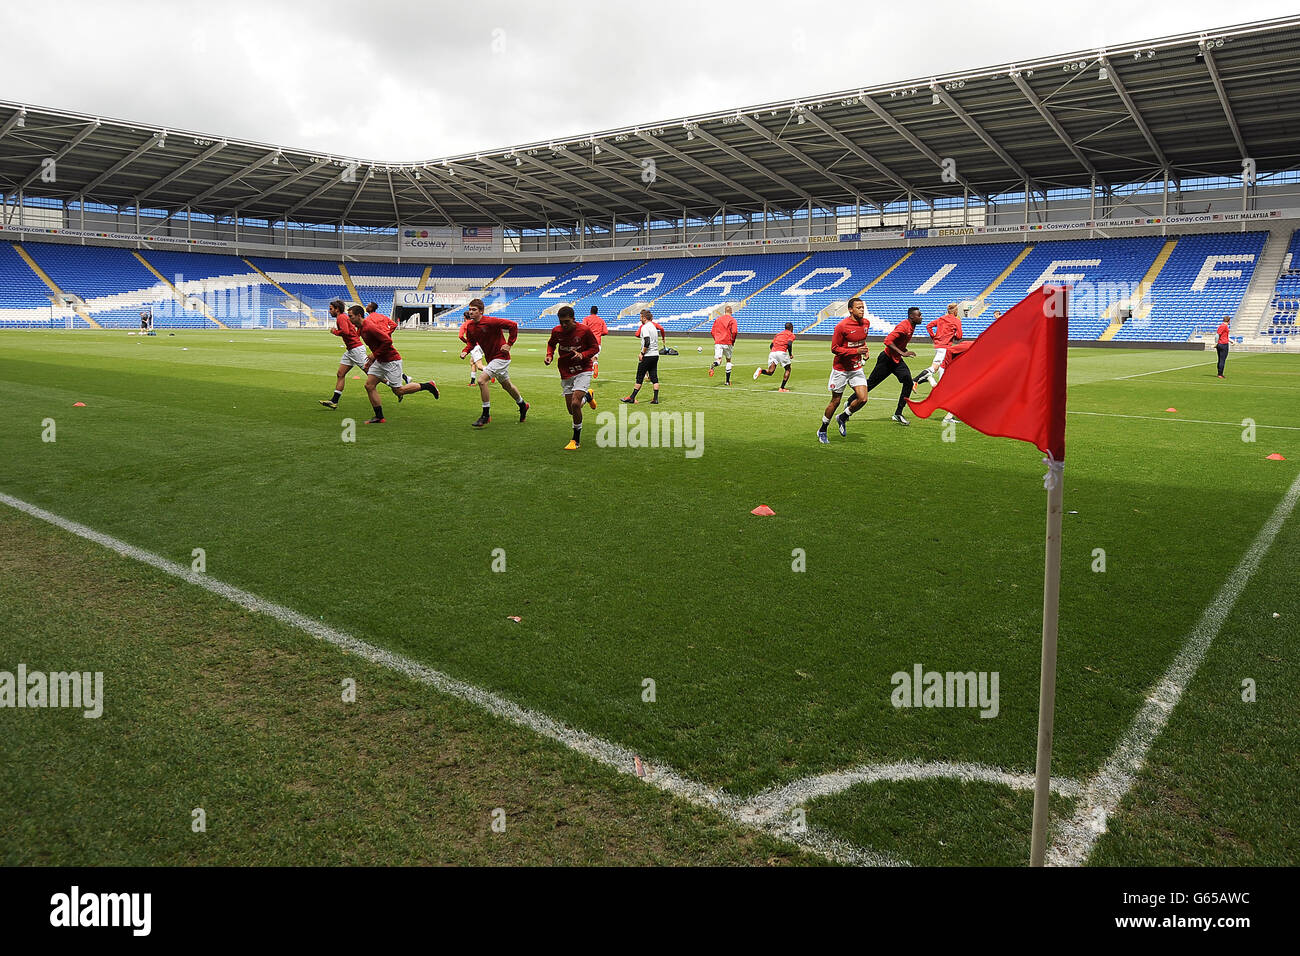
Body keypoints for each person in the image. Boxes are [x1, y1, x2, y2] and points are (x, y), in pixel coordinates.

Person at [356, 305, 439, 423]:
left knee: (398, 391)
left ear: (359, 316)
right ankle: (379, 417)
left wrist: (375, 353)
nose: (349, 319)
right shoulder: (362, 327)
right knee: (369, 385)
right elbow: (391, 328)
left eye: (350, 316)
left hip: (391, 360)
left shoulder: (369, 325)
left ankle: (428, 385)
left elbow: (388, 341)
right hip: (380, 360)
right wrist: (371, 360)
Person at [460, 298, 528, 427]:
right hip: (491, 359)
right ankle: (523, 405)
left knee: (481, 380)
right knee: (506, 385)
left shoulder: (491, 321)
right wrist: (465, 350)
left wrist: (509, 344)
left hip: (501, 357)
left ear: (481, 311)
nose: (471, 312)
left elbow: (513, 325)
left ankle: (486, 415)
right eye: (469, 310)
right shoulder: (470, 326)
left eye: (474, 310)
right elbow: (471, 342)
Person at [546, 306, 601, 450]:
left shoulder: (584, 330)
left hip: (583, 369)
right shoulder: (557, 331)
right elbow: (551, 344)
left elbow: (595, 347)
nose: (564, 325)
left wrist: (583, 355)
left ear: (573, 319)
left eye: (567, 322)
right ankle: (588, 396)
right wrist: (549, 355)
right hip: (565, 370)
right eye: (561, 322)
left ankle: (575, 439)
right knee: (572, 409)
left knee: (575, 404)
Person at [817, 297, 871, 443]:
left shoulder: (866, 323)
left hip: (855, 368)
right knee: (836, 401)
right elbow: (834, 349)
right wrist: (856, 351)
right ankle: (823, 429)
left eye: (863, 307)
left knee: (863, 398)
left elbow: (861, 340)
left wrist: (865, 350)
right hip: (841, 369)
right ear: (850, 309)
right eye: (859, 307)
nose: (862, 310)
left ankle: (843, 417)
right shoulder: (841, 326)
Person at [864, 307, 923, 426]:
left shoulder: (911, 327)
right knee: (870, 384)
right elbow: (887, 340)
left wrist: (903, 350)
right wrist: (903, 353)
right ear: (912, 316)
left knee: (908, 381)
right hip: (886, 359)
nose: (921, 317)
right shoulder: (903, 326)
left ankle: (898, 413)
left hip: (896, 361)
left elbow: (899, 342)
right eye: (919, 315)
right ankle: (850, 404)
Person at [319, 299, 368, 409]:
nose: (329, 311)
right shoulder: (344, 317)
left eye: (331, 309)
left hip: (355, 350)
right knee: (340, 374)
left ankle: (396, 386)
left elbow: (345, 331)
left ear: (337, 309)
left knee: (371, 372)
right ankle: (334, 401)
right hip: (351, 350)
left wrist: (334, 332)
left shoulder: (341, 317)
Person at [622, 309, 666, 404]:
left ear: (644, 318)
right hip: (655, 355)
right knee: (654, 377)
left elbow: (647, 341)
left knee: (640, 377)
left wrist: (642, 353)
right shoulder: (653, 327)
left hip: (648, 355)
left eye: (641, 317)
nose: (640, 319)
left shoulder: (645, 327)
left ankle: (632, 398)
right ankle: (655, 399)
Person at [916, 302, 963, 388]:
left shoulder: (941, 319)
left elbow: (928, 326)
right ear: (955, 311)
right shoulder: (956, 321)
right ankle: (918, 379)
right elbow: (959, 336)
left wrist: (933, 336)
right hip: (946, 347)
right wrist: (954, 336)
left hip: (938, 346)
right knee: (935, 368)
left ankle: (936, 384)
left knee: (943, 366)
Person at [754, 322, 795, 390]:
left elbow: (771, 345)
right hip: (781, 352)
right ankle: (782, 388)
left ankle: (761, 371)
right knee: (788, 369)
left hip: (773, 352)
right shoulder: (791, 334)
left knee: (770, 372)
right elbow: (789, 344)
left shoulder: (778, 334)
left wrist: (774, 352)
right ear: (791, 328)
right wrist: (790, 354)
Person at [708, 305, 739, 384]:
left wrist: (717, 339)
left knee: (719, 360)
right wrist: (733, 341)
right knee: (728, 361)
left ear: (724, 311)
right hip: (727, 342)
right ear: (731, 312)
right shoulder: (732, 320)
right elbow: (735, 331)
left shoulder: (718, 319)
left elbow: (712, 331)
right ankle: (727, 381)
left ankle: (713, 365)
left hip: (718, 342)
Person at [582, 306, 609, 383]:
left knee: (586, 358)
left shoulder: (586, 319)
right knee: (595, 357)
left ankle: (588, 374)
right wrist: (599, 333)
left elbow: (583, 329)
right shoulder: (601, 320)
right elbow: (605, 332)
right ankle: (595, 364)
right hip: (597, 342)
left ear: (590, 311)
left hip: (588, 341)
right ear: (597, 312)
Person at [459, 310, 486, 385]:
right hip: (481, 345)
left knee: (479, 366)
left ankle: (492, 373)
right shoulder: (475, 323)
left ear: (464, 317)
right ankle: (472, 381)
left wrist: (467, 342)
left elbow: (460, 336)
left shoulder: (465, 324)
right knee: (472, 362)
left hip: (474, 346)